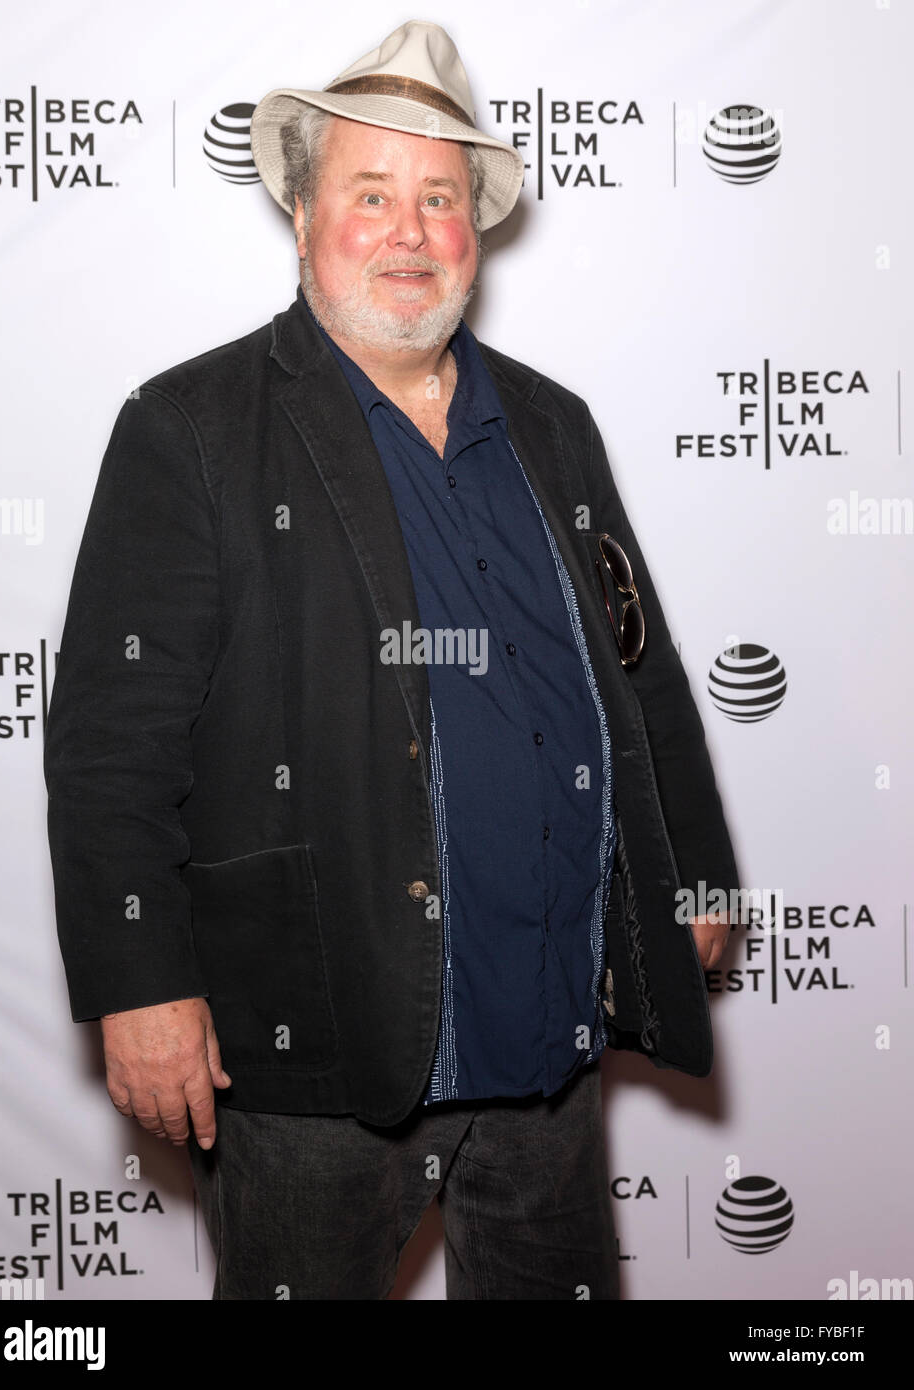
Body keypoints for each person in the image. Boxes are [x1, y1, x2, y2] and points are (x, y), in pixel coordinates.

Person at [44, 20, 739, 1300]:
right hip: (314, 1048)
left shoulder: (552, 423)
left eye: (440, 198)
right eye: (371, 194)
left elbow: (639, 671)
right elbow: (109, 741)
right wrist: (141, 983)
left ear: (477, 228)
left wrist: (692, 870)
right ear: (304, 216)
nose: (410, 230)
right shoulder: (189, 426)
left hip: (546, 1035)